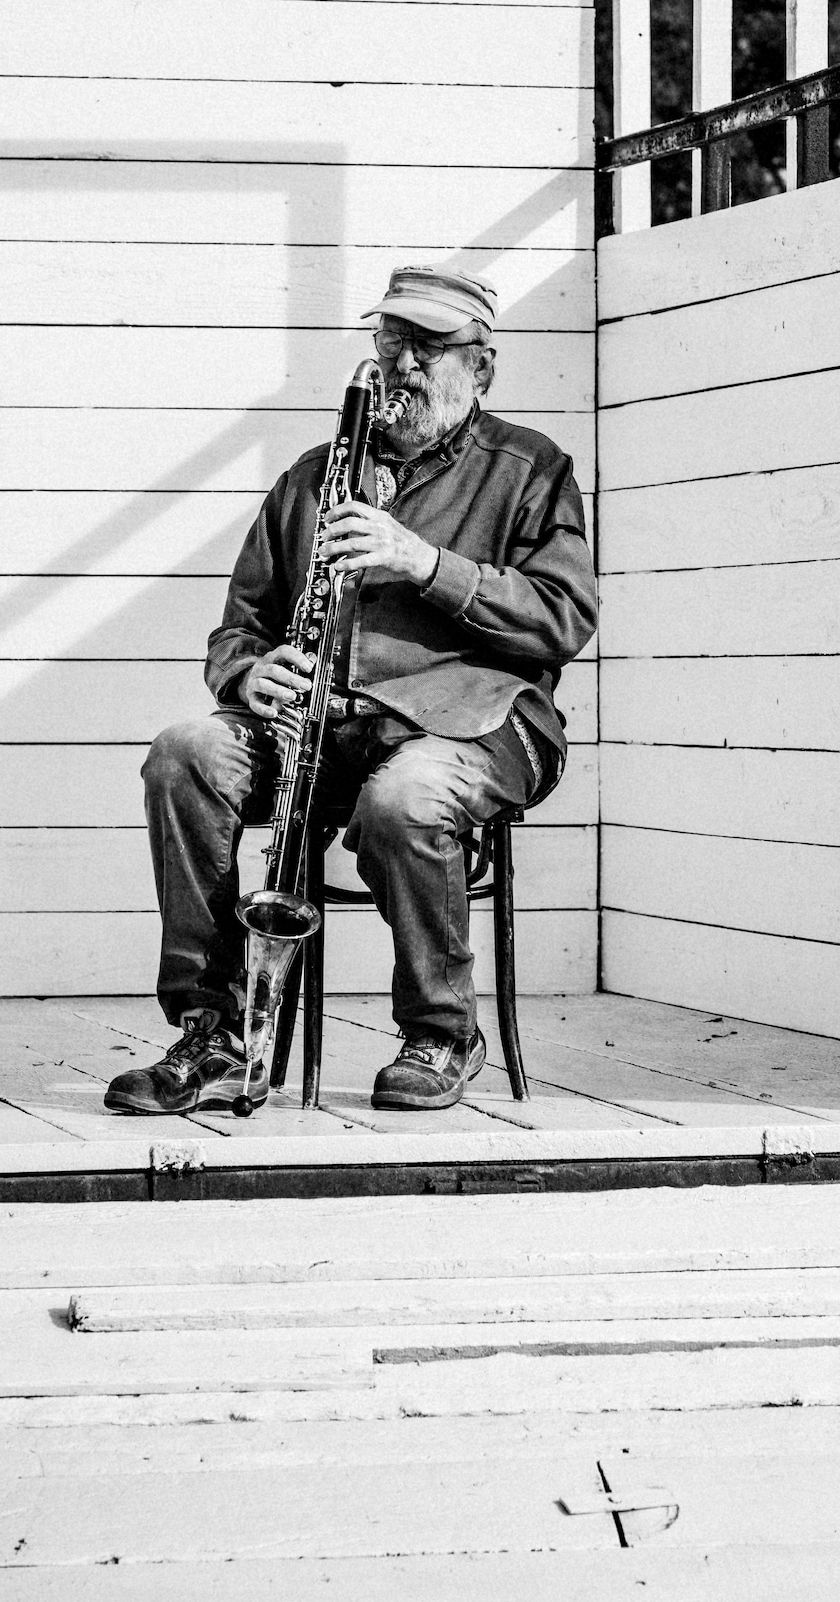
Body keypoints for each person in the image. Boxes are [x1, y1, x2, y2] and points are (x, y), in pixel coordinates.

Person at [106, 263, 596, 1117]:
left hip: (480, 722)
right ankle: (213, 1029)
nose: (405, 364)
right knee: (184, 753)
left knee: (405, 797)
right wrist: (249, 673)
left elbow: (564, 617)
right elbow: (237, 627)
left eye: (430, 346)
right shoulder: (312, 477)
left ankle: (442, 1033)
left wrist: (423, 562)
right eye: (393, 341)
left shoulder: (531, 469)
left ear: (481, 366)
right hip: (326, 731)